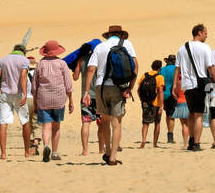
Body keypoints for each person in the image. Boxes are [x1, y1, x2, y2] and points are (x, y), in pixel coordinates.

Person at [84, 25, 138, 165]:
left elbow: (91, 69)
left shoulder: (100, 47)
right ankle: (113, 157)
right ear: (120, 35)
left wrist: (86, 92)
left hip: (100, 87)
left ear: (108, 35)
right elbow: (135, 67)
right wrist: (130, 88)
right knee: (117, 123)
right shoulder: (126, 44)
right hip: (118, 87)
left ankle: (107, 152)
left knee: (105, 121)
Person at [0, 40, 33, 160]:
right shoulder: (24, 60)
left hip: (5, 94)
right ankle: (26, 152)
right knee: (25, 121)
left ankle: (3, 153)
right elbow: (23, 77)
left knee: (3, 123)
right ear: (23, 52)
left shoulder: (3, 60)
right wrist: (24, 93)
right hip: (19, 94)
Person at [177, 23, 215, 151]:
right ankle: (196, 143)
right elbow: (210, 66)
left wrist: (174, 85)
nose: (207, 35)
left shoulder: (182, 48)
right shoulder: (205, 47)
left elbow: (177, 68)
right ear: (199, 33)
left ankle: (190, 141)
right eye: (205, 32)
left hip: (186, 86)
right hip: (199, 85)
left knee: (191, 113)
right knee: (198, 115)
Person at [30, 41, 73, 161]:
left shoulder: (40, 64)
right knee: (56, 127)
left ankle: (46, 146)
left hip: (43, 98)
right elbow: (68, 84)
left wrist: (35, 101)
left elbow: (34, 85)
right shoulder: (62, 63)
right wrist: (71, 100)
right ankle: (54, 152)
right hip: (59, 98)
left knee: (46, 126)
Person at [67, 39, 105, 156]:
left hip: (85, 96)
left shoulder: (81, 59)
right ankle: (101, 149)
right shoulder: (99, 59)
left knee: (86, 123)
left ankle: (85, 150)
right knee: (101, 123)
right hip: (99, 95)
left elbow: (75, 77)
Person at [138, 59, 165, 148]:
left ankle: (143, 139)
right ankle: (155, 143)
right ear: (160, 68)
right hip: (155, 103)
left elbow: (139, 89)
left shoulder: (145, 75)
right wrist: (161, 105)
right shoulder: (160, 77)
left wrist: (142, 99)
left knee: (145, 122)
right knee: (157, 122)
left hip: (146, 102)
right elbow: (160, 91)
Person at [160, 54, 179, 144]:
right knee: (171, 115)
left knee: (168, 114)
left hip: (163, 94)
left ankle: (169, 134)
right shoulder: (176, 69)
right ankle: (170, 136)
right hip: (173, 94)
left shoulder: (162, 70)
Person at [26, 55, 41, 152]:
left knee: (27, 123)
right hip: (37, 100)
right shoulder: (39, 74)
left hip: (25, 100)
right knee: (37, 123)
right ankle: (35, 142)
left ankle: (30, 143)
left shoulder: (23, 74)